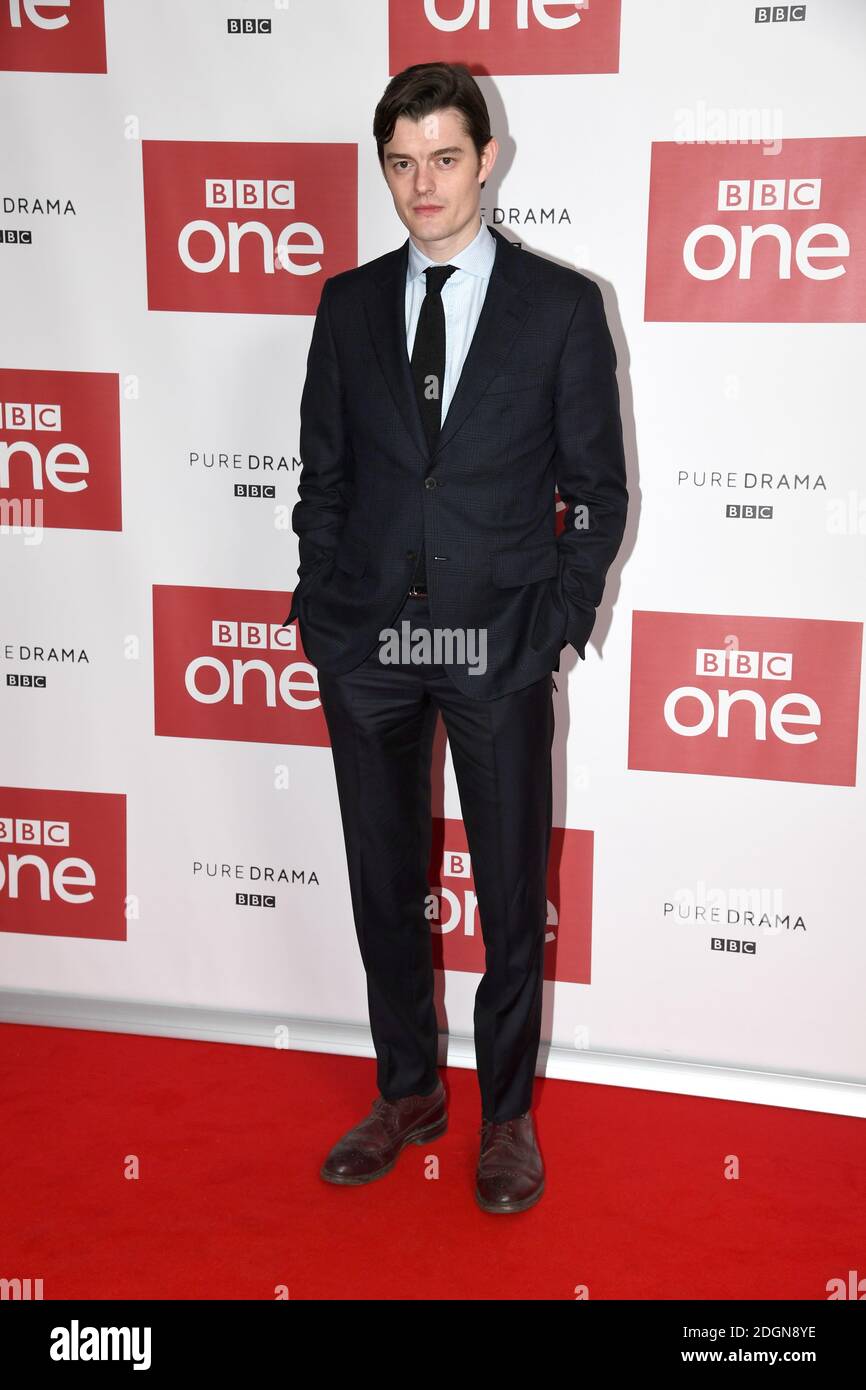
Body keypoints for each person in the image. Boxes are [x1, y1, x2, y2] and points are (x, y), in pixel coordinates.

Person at [283, 61, 628, 1213]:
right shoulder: (345, 303)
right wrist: (323, 605)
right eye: (399, 162)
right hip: (368, 648)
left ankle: (508, 1120)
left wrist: (561, 622)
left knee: (508, 886)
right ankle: (406, 1090)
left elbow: (595, 489)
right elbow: (321, 476)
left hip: (498, 649)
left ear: (486, 159)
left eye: (441, 157)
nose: (420, 184)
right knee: (385, 882)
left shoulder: (561, 308)